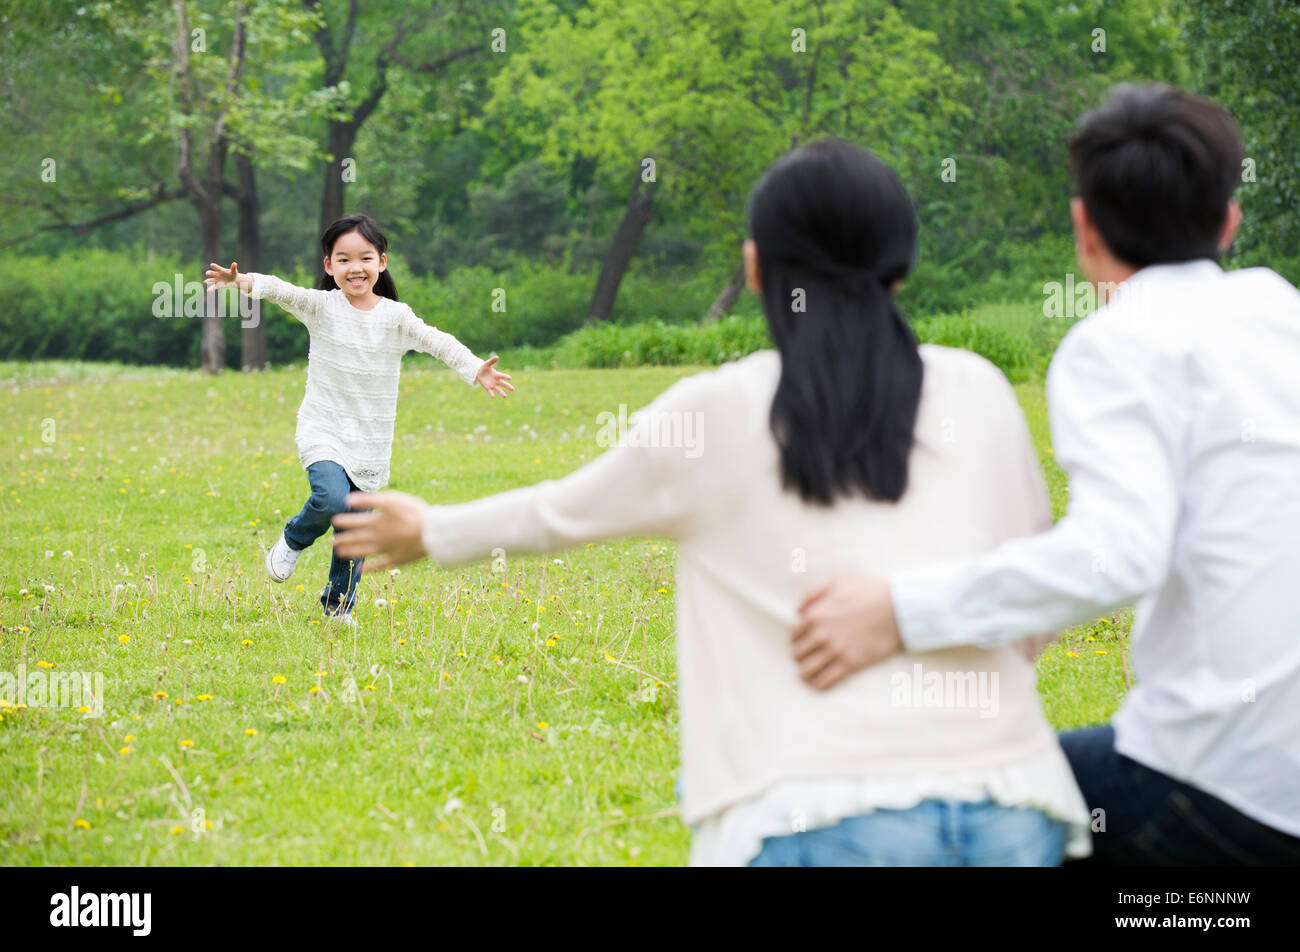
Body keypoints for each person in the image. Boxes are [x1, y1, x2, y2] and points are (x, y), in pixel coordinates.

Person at [332, 140, 1091, 866]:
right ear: (902, 263)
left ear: (756, 268)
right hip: (1015, 809)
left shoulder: (715, 410)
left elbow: (560, 513)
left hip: (813, 818)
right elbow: (1035, 604)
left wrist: (431, 530)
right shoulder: (980, 390)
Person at [790, 84, 1300, 865]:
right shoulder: (1282, 315)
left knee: (959, 806)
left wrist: (899, 609)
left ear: (1082, 227)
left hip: (1232, 787)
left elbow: (1118, 555)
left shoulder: (1117, 342)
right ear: (1229, 222)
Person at [202, 214, 514, 625]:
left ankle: (337, 608)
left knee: (355, 529)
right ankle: (295, 537)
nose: (355, 268)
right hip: (323, 427)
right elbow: (282, 290)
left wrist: (476, 369)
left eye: (364, 258)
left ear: (381, 262)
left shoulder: (396, 317)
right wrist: (242, 281)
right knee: (332, 499)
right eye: (343, 259)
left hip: (370, 438)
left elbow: (438, 341)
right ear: (329, 266)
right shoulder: (321, 306)